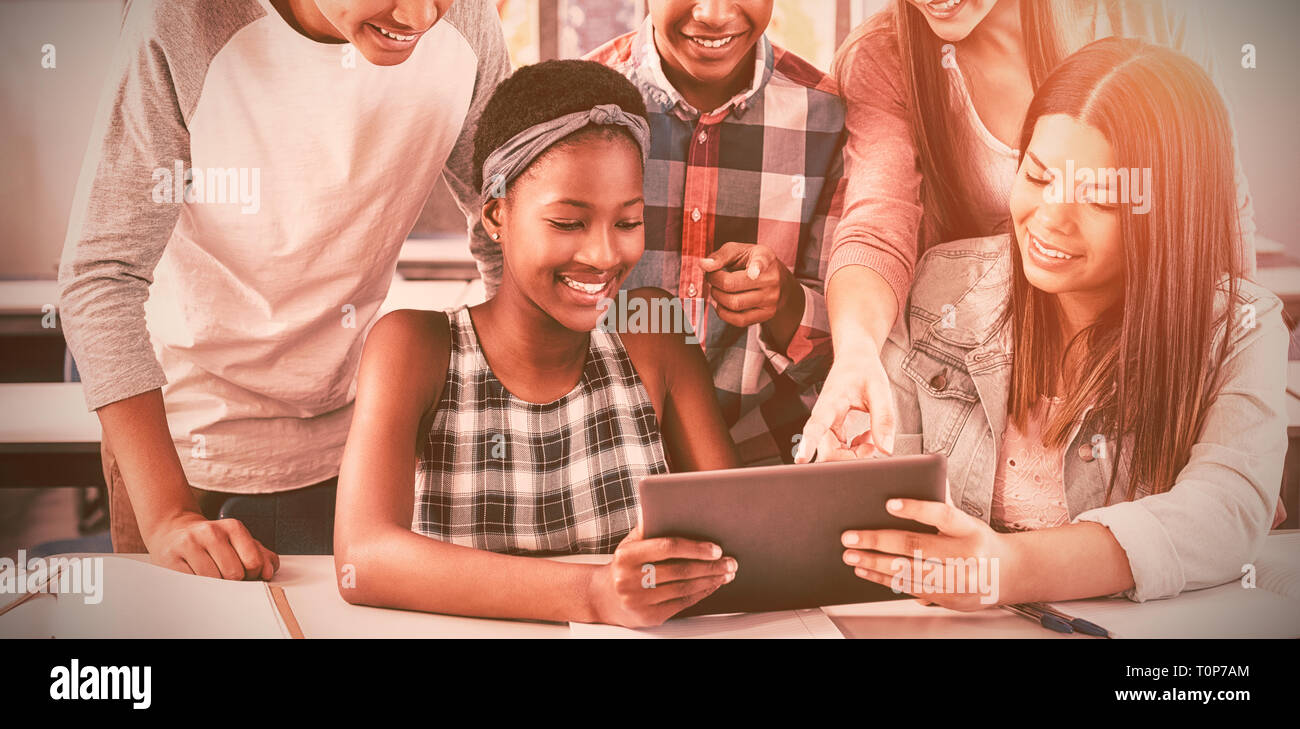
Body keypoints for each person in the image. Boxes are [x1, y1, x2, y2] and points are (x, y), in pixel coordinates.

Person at [57, 0, 509, 578]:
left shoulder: (466, 24)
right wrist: (167, 514)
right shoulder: (182, 20)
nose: (421, 14)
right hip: (173, 446)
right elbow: (102, 275)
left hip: (347, 441)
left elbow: (507, 226)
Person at [836, 39, 1287, 607]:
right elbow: (876, 489)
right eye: (1038, 175)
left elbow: (1226, 511)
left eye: (1097, 198)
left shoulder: (1243, 330)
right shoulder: (941, 285)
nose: (1050, 219)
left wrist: (1011, 569)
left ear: (1170, 210)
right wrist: (844, 472)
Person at [333, 60, 742, 627]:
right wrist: (593, 594)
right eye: (568, 223)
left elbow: (737, 545)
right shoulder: (416, 347)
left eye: (627, 223)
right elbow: (365, 560)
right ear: (497, 215)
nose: (602, 256)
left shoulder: (653, 332)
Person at [799, 0, 1257, 463]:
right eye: (1036, 177)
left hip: (1145, 370)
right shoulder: (884, 55)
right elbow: (878, 220)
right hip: (986, 382)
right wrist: (857, 350)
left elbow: (1215, 212)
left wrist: (1242, 407)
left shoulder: (1144, 15)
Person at [579, 0, 846, 466]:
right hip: (598, 453)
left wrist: (784, 300)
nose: (715, 14)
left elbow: (844, 354)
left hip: (770, 456)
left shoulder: (826, 117)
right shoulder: (574, 106)